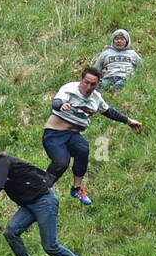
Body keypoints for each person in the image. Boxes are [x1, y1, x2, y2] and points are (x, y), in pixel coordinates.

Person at [42, 66, 144, 205]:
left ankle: (77, 188)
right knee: (62, 162)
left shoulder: (96, 98)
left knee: (83, 148)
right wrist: (61, 105)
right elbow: (56, 102)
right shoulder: (69, 89)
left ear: (97, 84)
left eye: (93, 84)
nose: (88, 87)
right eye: (86, 82)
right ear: (81, 80)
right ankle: (42, 187)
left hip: (72, 134)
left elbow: (109, 112)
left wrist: (129, 121)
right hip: (54, 134)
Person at [94, 28, 142, 93]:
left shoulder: (132, 53)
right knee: (99, 86)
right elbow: (96, 69)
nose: (119, 41)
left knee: (120, 84)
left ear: (126, 41)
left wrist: (135, 75)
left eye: (122, 39)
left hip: (125, 78)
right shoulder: (106, 53)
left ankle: (114, 92)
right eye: (116, 39)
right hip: (109, 77)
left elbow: (143, 68)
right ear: (113, 41)